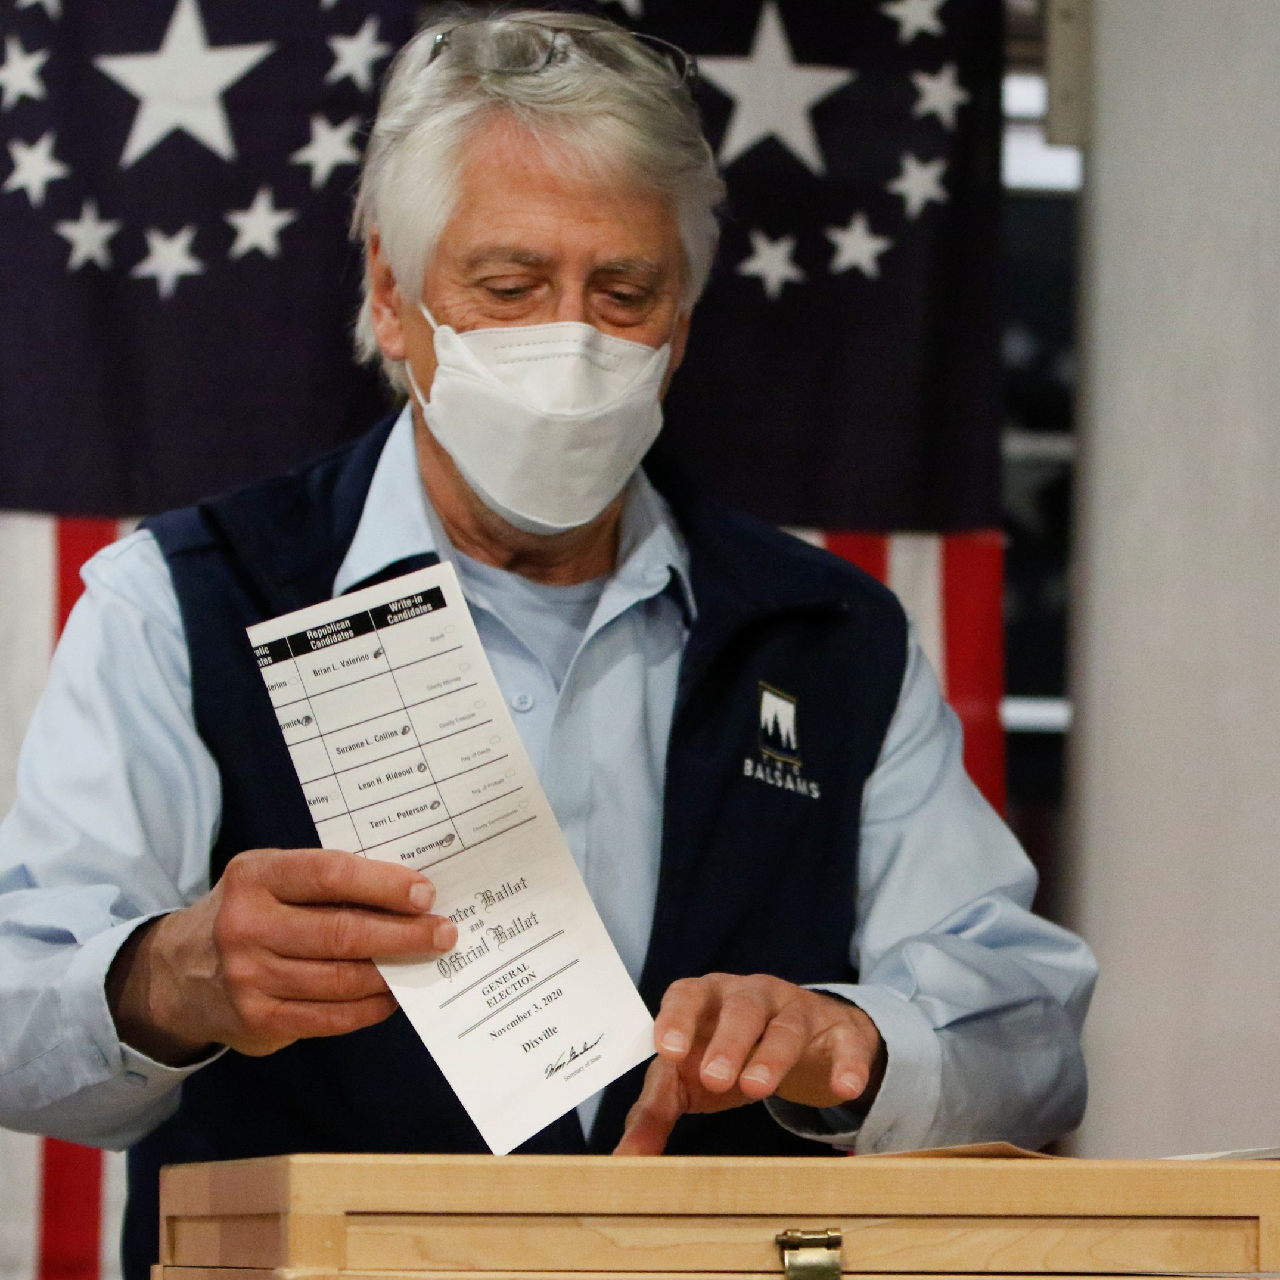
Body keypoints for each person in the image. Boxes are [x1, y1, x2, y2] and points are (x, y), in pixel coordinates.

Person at [0, 11, 1096, 1279]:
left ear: (680, 322)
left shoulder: (829, 631)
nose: (566, 341)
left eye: (621, 292)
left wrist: (848, 1036)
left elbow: (1029, 1036)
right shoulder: (181, 600)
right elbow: (20, 1009)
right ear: (390, 295)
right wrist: (173, 976)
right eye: (508, 287)